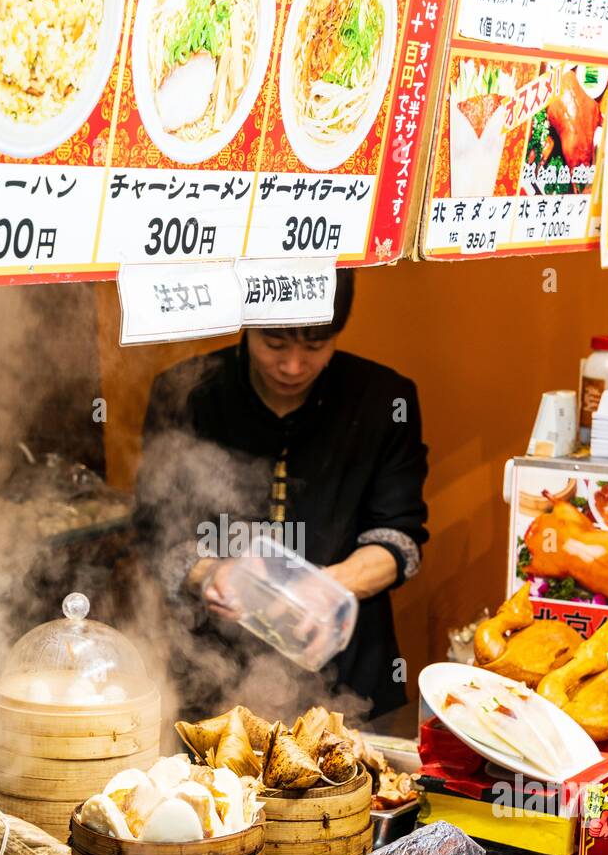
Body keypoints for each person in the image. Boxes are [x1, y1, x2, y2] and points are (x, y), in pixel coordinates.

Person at [134, 271, 428, 721]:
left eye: (315, 346)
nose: (293, 366)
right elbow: (155, 532)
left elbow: (400, 539)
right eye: (274, 343)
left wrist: (329, 585)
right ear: (246, 325)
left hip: (348, 673)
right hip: (212, 671)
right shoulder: (188, 394)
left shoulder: (384, 399)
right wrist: (208, 572)